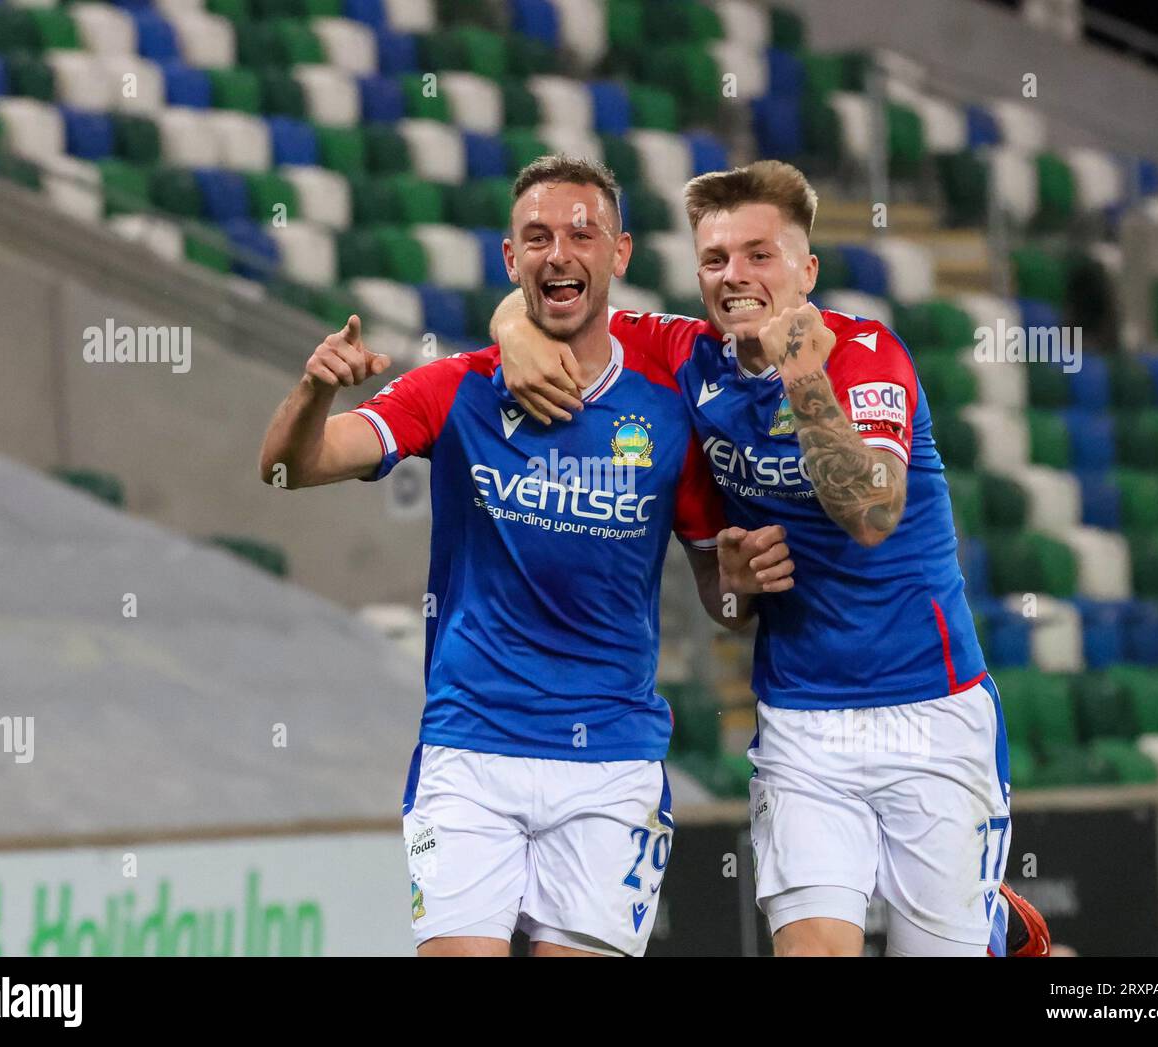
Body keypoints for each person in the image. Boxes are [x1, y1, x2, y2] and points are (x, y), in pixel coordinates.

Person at [257, 155, 794, 957]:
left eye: (582, 233)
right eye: (535, 237)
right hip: (473, 750)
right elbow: (287, 466)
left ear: (620, 253)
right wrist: (313, 391)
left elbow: (721, 601)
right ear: (511, 261)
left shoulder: (668, 403)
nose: (558, 252)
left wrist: (741, 587)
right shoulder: (454, 388)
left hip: (610, 766)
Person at [493, 159, 1021, 957]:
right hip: (802, 721)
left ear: (806, 270)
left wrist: (801, 375)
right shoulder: (687, 355)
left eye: (758, 254)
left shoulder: (869, 354)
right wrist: (512, 328)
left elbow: (872, 512)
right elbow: (565, 296)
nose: (733, 275)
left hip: (933, 714)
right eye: (715, 259)